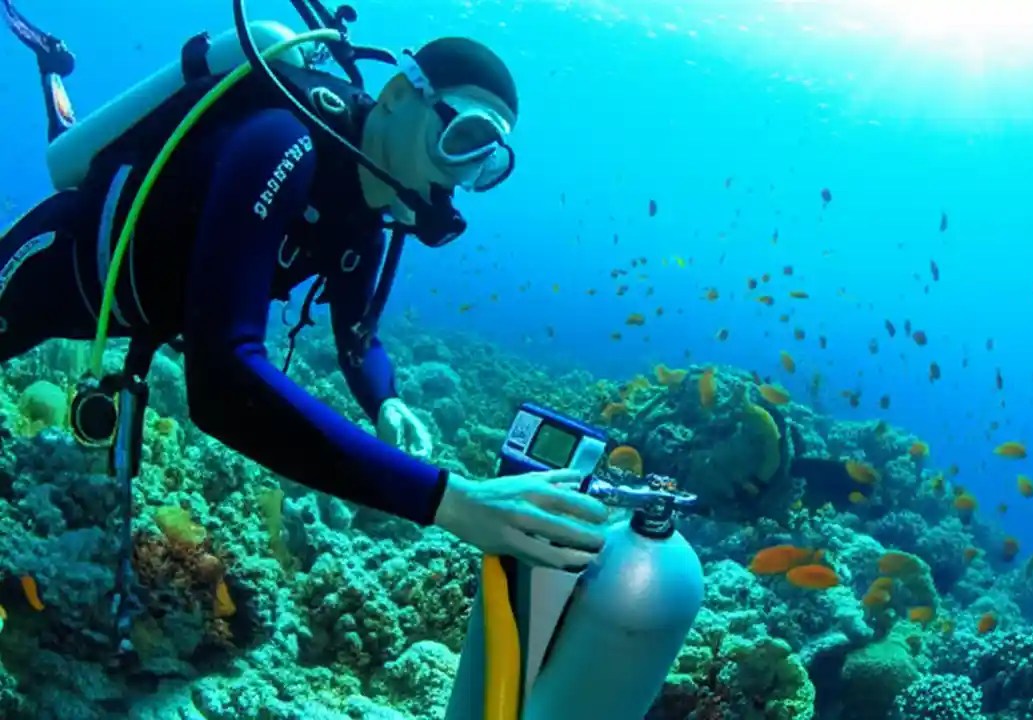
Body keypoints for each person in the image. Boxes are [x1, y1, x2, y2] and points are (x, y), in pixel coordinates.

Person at [0, 0, 609, 571]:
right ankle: (51, 67)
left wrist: (386, 400)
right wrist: (450, 502)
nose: (461, 174)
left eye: (486, 164)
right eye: (463, 140)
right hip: (63, 268)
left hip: (139, 312)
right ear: (399, 94)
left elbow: (359, 340)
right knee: (66, 147)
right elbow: (222, 383)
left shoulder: (367, 217)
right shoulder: (282, 141)